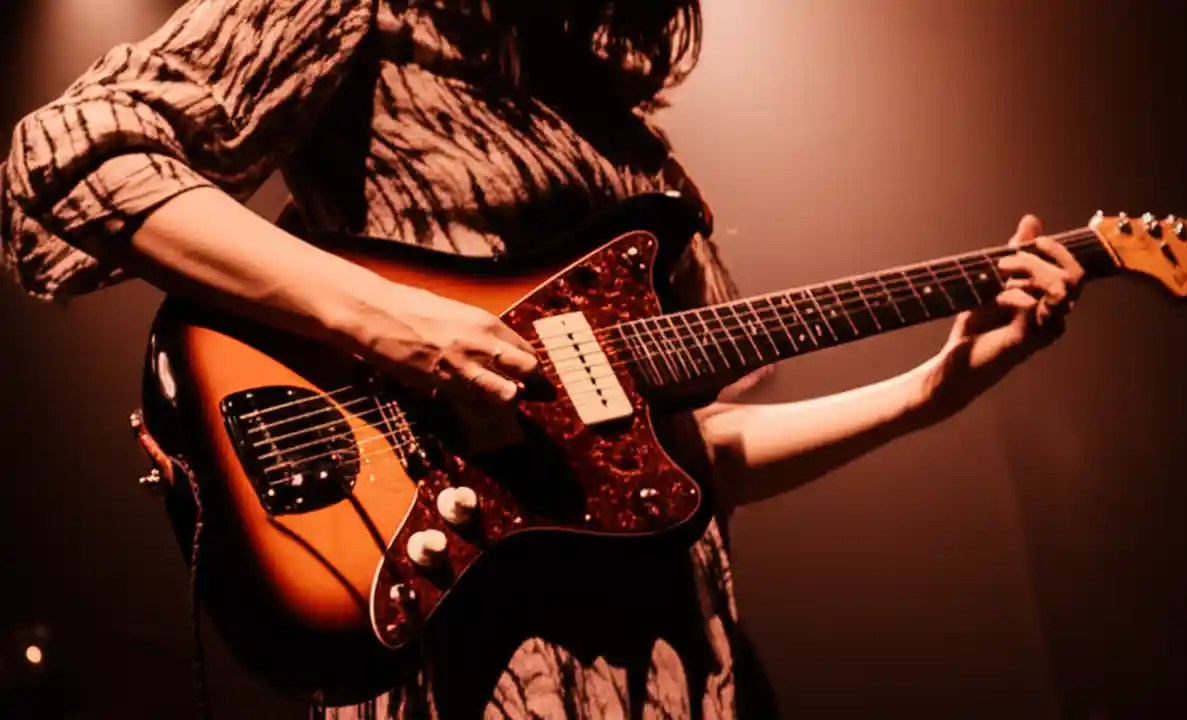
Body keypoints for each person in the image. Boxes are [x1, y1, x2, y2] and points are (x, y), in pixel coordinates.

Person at [0, 1, 1084, 717]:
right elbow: (73, 155)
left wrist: (927, 392)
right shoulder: (359, 7)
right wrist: (391, 323)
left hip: (676, 655)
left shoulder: (624, 140)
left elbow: (676, 463)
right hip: (477, 634)